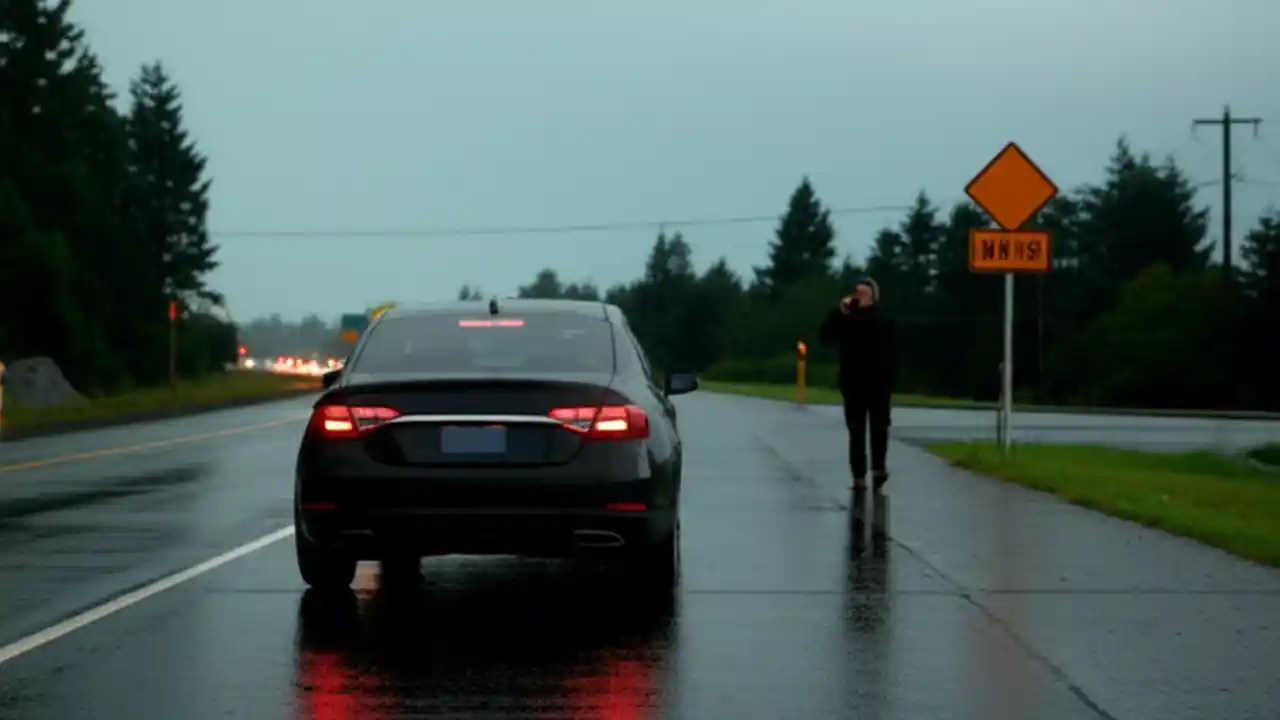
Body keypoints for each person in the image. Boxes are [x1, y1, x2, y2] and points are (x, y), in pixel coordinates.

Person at [818, 277, 898, 492]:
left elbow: (893, 350)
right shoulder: (847, 318)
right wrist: (838, 312)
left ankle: (878, 469)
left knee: (879, 428)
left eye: (863, 293)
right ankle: (858, 476)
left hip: (879, 382)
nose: (858, 297)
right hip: (853, 382)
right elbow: (825, 335)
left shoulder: (883, 318)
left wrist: (891, 377)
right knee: (856, 431)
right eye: (856, 292)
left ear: (872, 296)